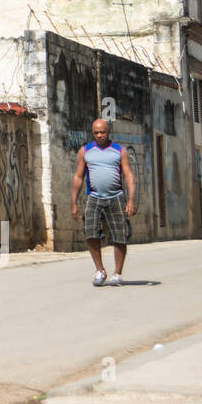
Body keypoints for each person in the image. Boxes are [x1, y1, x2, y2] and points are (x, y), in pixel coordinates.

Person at [71, 118, 136, 287]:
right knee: (90, 233)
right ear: (93, 133)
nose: (100, 135)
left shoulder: (119, 151)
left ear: (108, 132)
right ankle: (100, 270)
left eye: (103, 132)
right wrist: (74, 203)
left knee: (119, 236)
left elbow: (128, 176)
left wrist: (131, 200)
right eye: (96, 133)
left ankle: (118, 273)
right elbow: (78, 177)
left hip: (116, 197)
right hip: (94, 197)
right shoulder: (85, 151)